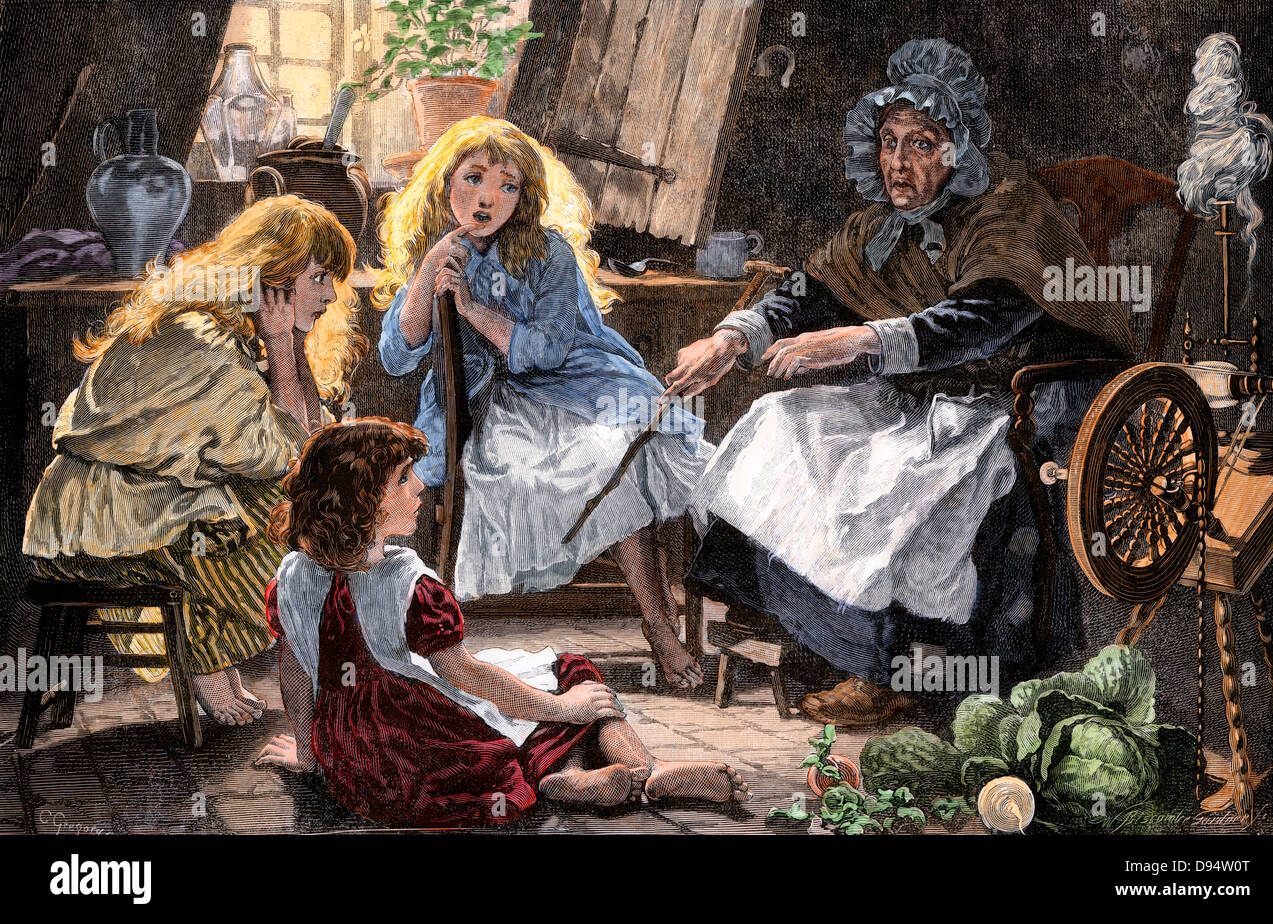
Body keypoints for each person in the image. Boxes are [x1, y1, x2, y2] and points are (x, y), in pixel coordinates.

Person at [665, 38, 1135, 725]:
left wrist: (858, 339)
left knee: (896, 483)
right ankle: (814, 636)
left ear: (959, 147)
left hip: (1020, 401)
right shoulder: (881, 229)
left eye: (921, 143)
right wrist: (731, 337)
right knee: (785, 422)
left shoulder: (1010, 210)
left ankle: (891, 666)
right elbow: (806, 291)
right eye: (889, 142)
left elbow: (979, 320)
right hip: (929, 396)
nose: (898, 162)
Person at [254, 417, 748, 826]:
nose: (420, 485)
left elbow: (295, 671)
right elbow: (470, 677)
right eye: (403, 478)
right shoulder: (409, 582)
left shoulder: (292, 576)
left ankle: (570, 776)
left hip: (359, 764)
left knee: (523, 700)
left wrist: (311, 752)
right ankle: (646, 769)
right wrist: (567, 709)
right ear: (363, 503)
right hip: (432, 749)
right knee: (569, 674)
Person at [372, 116, 712, 689]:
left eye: (508, 186)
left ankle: (659, 626)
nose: (488, 198)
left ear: (525, 197)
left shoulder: (548, 252)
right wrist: (431, 272)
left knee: (618, 460)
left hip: (571, 389)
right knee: (599, 470)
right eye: (474, 179)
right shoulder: (435, 252)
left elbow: (547, 350)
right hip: (487, 411)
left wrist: (475, 310)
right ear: (443, 182)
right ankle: (425, 645)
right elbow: (397, 357)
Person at [23, 195, 366, 726]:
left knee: (293, 524)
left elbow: (311, 444)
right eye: (318, 277)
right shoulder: (202, 341)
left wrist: (289, 350)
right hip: (99, 517)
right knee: (293, 540)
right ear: (271, 274)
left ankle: (209, 654)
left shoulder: (228, 330)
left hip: (145, 502)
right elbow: (291, 455)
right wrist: (281, 352)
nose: (328, 294)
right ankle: (203, 656)